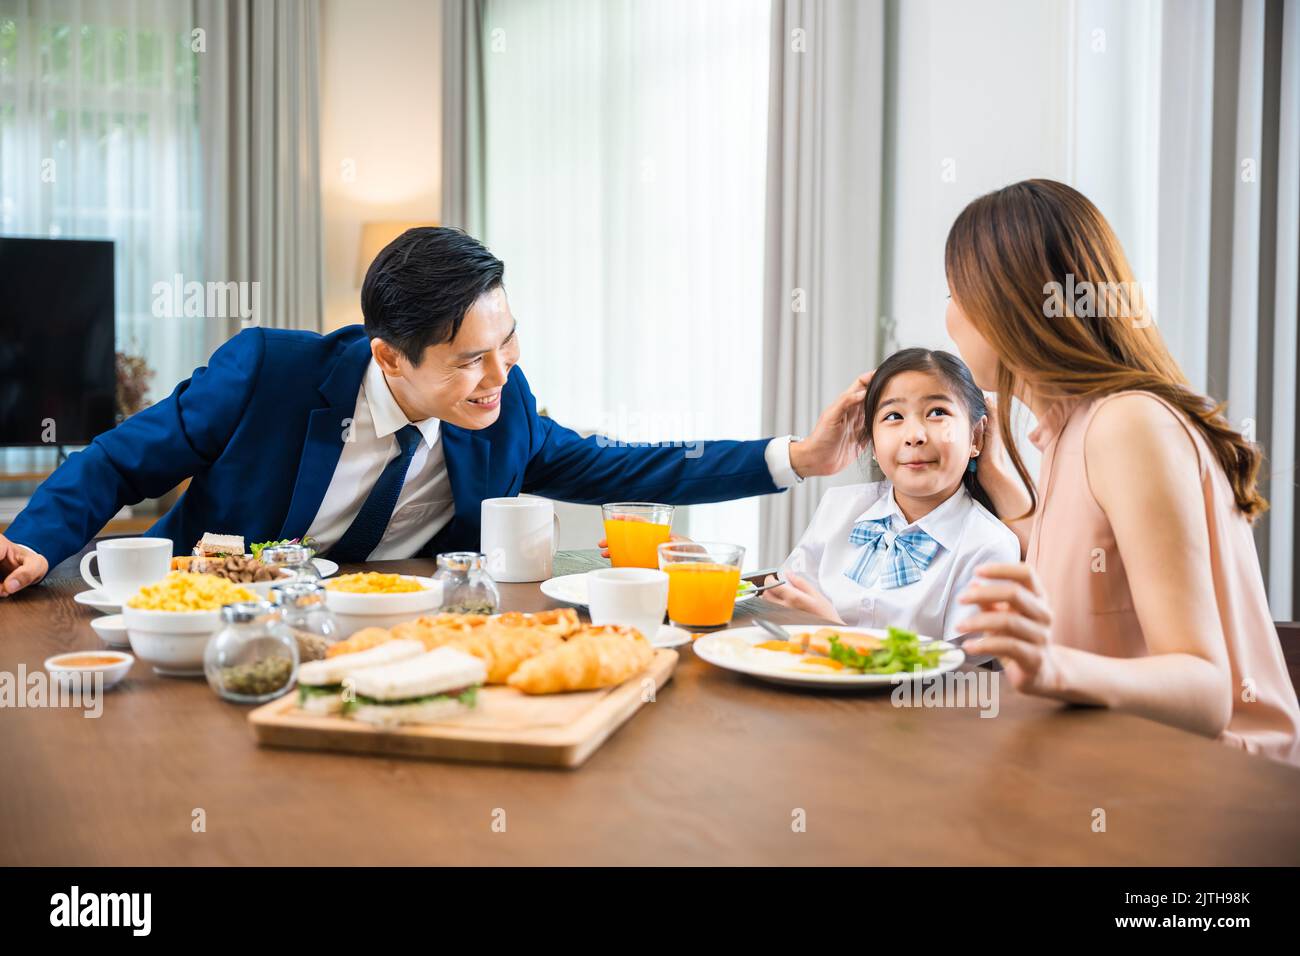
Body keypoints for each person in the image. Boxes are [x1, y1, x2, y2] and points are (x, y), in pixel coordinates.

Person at [0, 228, 868, 595]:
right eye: (469, 362)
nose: (499, 377)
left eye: (509, 343)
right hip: (219, 637)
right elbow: (119, 460)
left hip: (393, 644)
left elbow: (628, 463)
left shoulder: (505, 402)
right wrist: (36, 544)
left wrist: (800, 456)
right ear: (389, 357)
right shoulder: (268, 372)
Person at [945, 179, 1300, 764]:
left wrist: (1053, 666)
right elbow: (1096, 569)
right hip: (1121, 765)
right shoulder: (1071, 432)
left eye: (953, 292)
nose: (949, 316)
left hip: (1215, 793)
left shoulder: (1126, 425)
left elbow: (1206, 691)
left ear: (1002, 303)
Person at [761, 348, 1020, 641]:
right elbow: (785, 602)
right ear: (872, 441)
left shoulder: (989, 546)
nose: (914, 435)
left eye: (938, 413)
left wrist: (839, 635)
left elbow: (959, 674)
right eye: (894, 416)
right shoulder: (840, 506)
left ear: (976, 437)